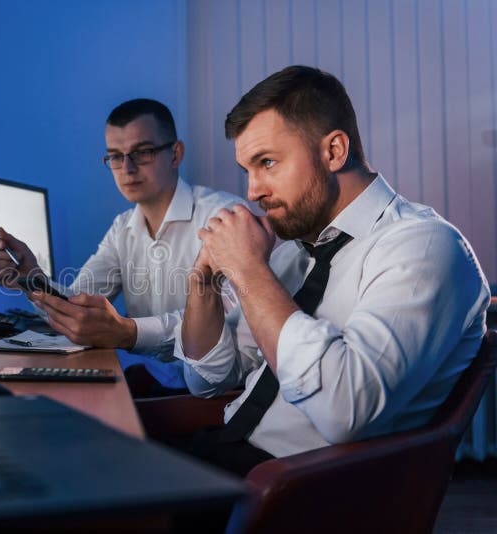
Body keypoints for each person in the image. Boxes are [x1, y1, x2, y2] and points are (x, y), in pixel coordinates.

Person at [174, 65, 490, 476]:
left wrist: (248, 270)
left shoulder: (424, 247)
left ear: (334, 151)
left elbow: (344, 411)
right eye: (247, 171)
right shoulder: (295, 250)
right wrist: (203, 283)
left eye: (267, 162)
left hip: (294, 489)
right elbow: (209, 380)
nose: (252, 191)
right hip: (226, 451)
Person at [0, 98, 245, 395]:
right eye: (115, 156)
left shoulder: (224, 218)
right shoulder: (123, 228)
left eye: (143, 152)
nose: (127, 168)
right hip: (159, 382)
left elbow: (227, 319)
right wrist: (32, 278)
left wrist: (128, 332)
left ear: (175, 154)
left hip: (216, 395)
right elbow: (79, 301)